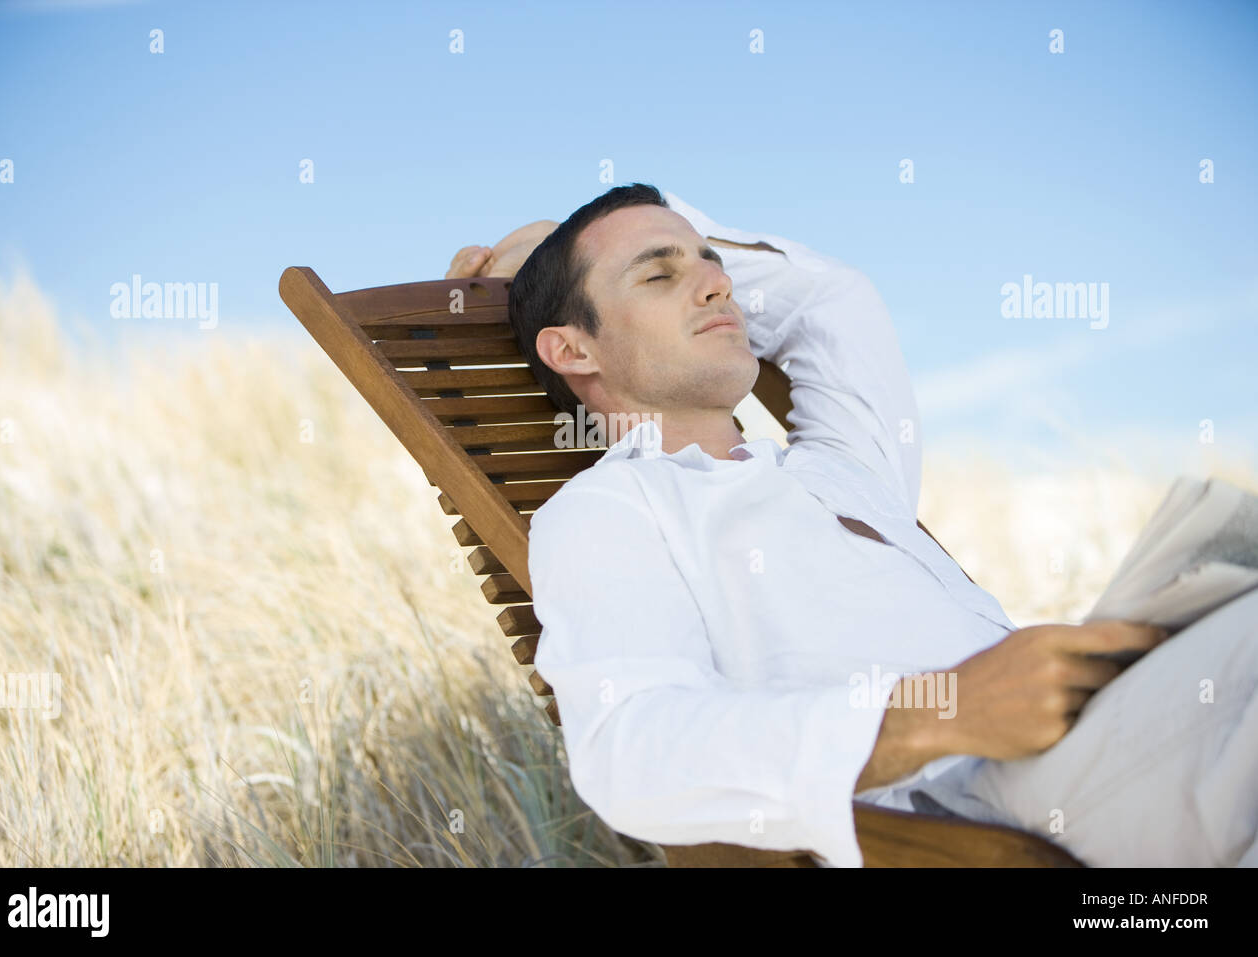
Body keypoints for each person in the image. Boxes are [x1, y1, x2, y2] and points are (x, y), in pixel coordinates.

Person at [444, 183, 1255, 867]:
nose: (717, 286)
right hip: (968, 815)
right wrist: (942, 712)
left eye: (714, 266)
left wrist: (563, 234)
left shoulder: (839, 466)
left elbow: (833, 298)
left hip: (1096, 744)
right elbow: (633, 750)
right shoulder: (607, 515)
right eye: (659, 276)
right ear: (572, 349)